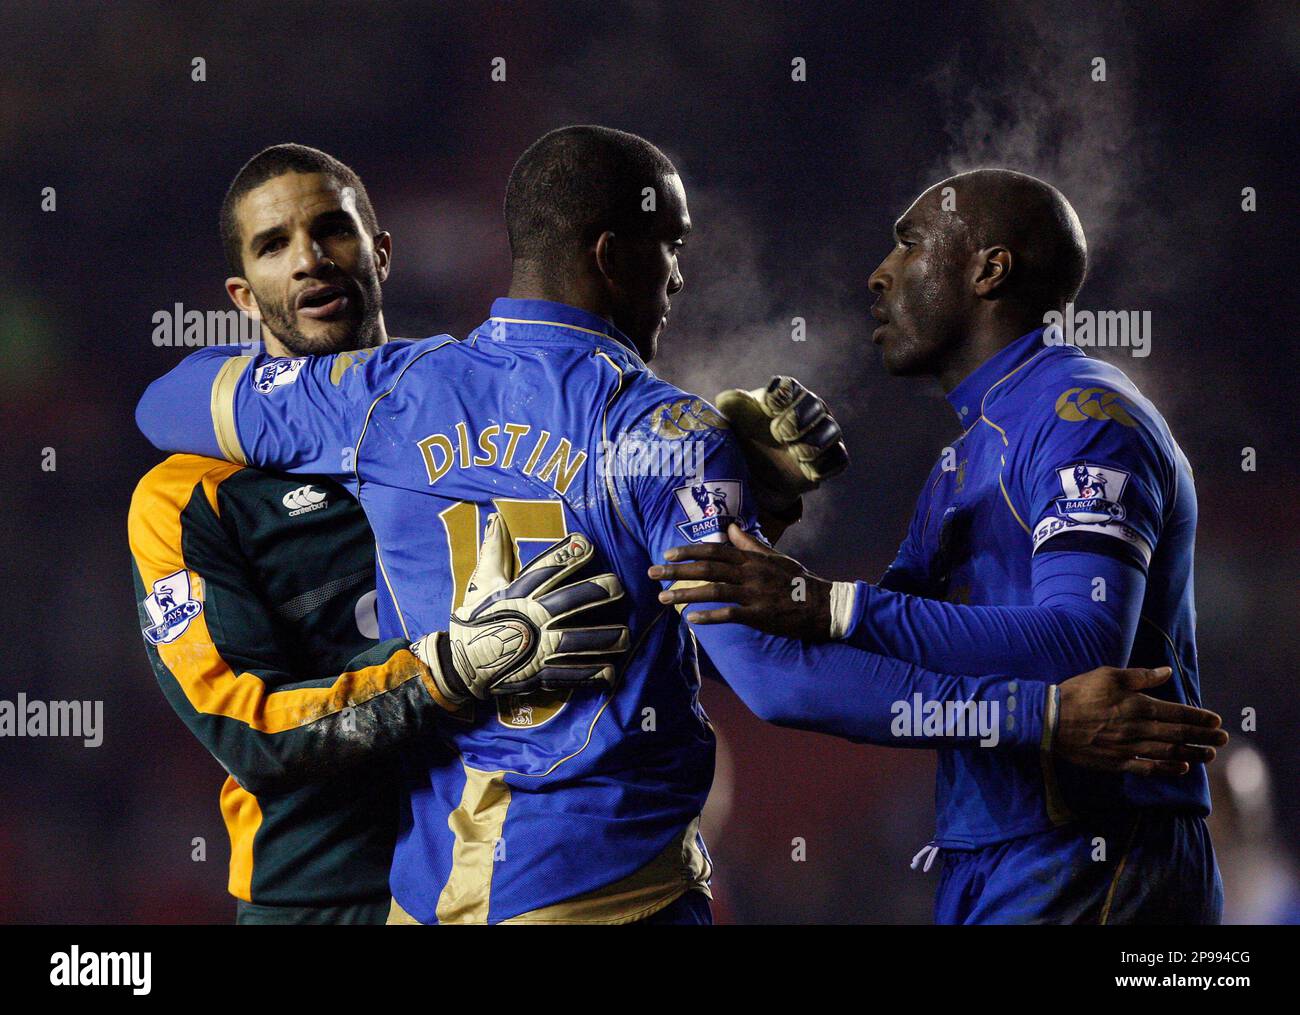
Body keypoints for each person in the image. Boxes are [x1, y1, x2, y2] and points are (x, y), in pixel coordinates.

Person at [135, 130, 1225, 925]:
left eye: (331, 232)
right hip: (603, 889)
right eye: (671, 247)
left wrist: (764, 502)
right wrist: (1032, 714)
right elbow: (779, 682)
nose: (679, 275)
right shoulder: (661, 432)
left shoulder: (381, 396)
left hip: (429, 894)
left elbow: (165, 399)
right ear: (614, 256)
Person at [653, 169, 1225, 923]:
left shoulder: (1085, 416)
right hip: (994, 852)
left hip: (1096, 850)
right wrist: (764, 523)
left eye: (909, 244)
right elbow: (859, 656)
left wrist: (828, 603)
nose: (879, 273)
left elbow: (1085, 642)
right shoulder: (962, 460)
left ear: (989, 268)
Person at [128, 144, 626, 924]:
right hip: (321, 897)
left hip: (504, 878)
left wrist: (723, 453)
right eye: (273, 245)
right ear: (243, 296)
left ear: (381, 253)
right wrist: (443, 671)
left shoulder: (471, 420)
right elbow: (244, 725)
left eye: (333, 229)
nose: (310, 259)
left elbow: (615, 524)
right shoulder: (186, 499)